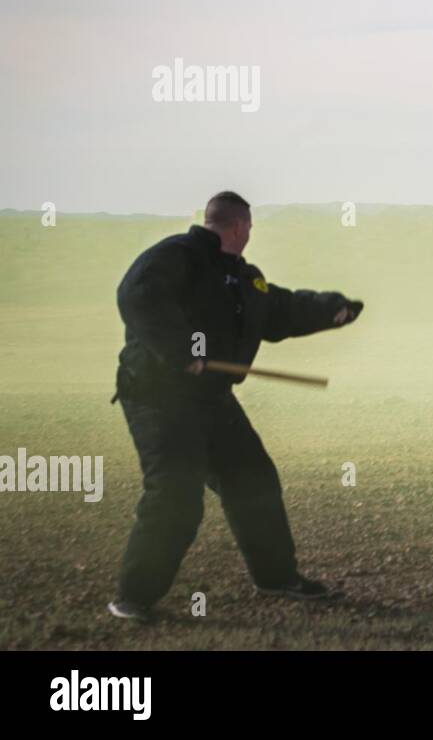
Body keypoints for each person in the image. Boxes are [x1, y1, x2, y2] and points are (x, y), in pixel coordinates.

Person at [108, 191, 363, 621]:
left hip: (210, 399)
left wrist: (331, 308)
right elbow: (136, 294)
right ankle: (133, 598)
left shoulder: (245, 280)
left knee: (254, 480)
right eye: (249, 229)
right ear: (240, 227)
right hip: (159, 396)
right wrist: (183, 350)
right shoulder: (178, 256)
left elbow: (281, 309)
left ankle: (277, 577)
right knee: (176, 493)